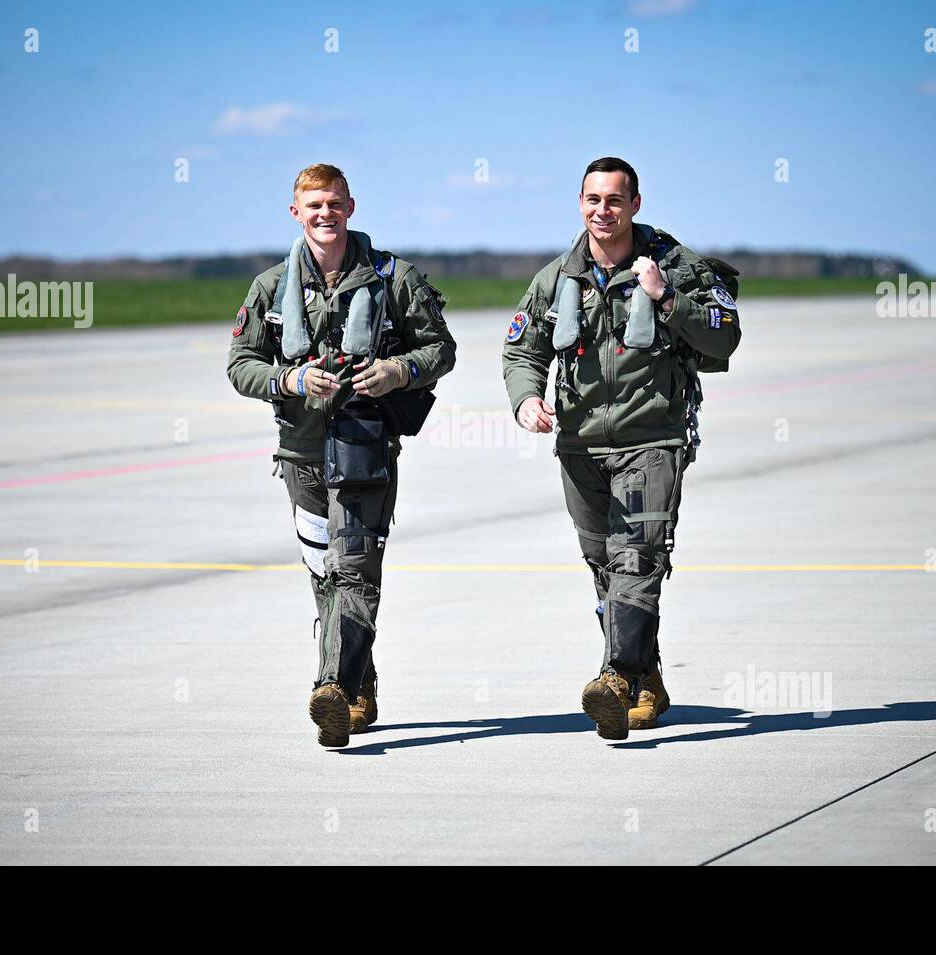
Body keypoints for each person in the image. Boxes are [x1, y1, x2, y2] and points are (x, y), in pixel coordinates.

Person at [501, 157, 742, 740]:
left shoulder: (676, 267)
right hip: (580, 445)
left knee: (636, 560)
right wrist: (526, 399)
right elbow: (521, 350)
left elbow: (724, 333)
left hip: (652, 438)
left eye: (614, 200)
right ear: (580, 204)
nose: (602, 211)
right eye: (592, 200)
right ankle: (646, 679)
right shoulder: (556, 278)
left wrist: (667, 300)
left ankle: (614, 679)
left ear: (635, 204)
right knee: (606, 568)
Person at [228, 164, 456, 748]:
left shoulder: (391, 277)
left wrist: (398, 370)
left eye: (334, 204)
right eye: (313, 206)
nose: (325, 214)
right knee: (322, 575)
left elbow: (441, 349)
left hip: (365, 447)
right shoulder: (269, 288)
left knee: (353, 568)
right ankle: (360, 684)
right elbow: (241, 367)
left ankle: (332, 686)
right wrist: (291, 380)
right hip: (300, 452)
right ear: (295, 213)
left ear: (351, 207)